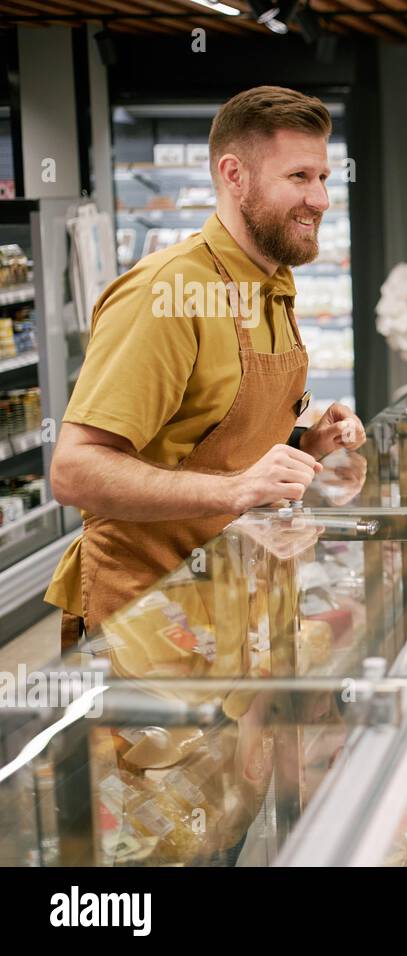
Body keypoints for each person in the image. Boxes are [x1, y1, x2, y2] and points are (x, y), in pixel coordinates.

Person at [46, 85, 365, 644]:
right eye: (298, 178)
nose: (320, 199)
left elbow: (210, 444)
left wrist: (305, 449)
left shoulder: (271, 284)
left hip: (232, 601)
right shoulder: (167, 291)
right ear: (234, 175)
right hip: (147, 622)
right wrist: (238, 489)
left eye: (323, 179)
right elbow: (75, 470)